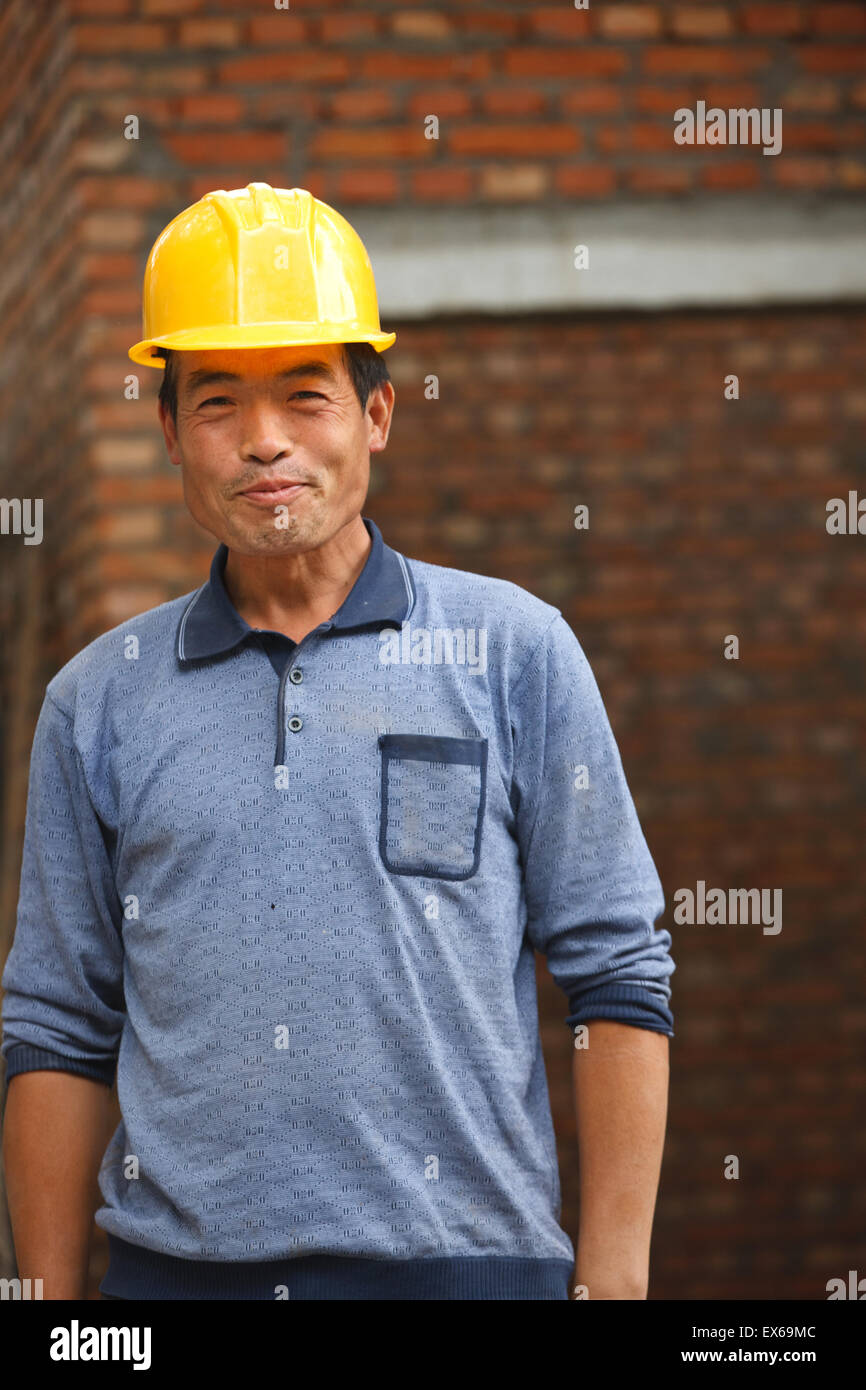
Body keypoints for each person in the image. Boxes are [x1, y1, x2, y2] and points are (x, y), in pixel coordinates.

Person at [1, 183, 674, 1301]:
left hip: (466, 1273)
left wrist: (610, 1281)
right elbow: (58, 1027)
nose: (264, 441)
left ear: (375, 415)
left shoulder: (513, 652)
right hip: (174, 1289)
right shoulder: (95, 704)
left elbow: (616, 974)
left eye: (305, 394)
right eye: (216, 402)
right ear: (169, 432)